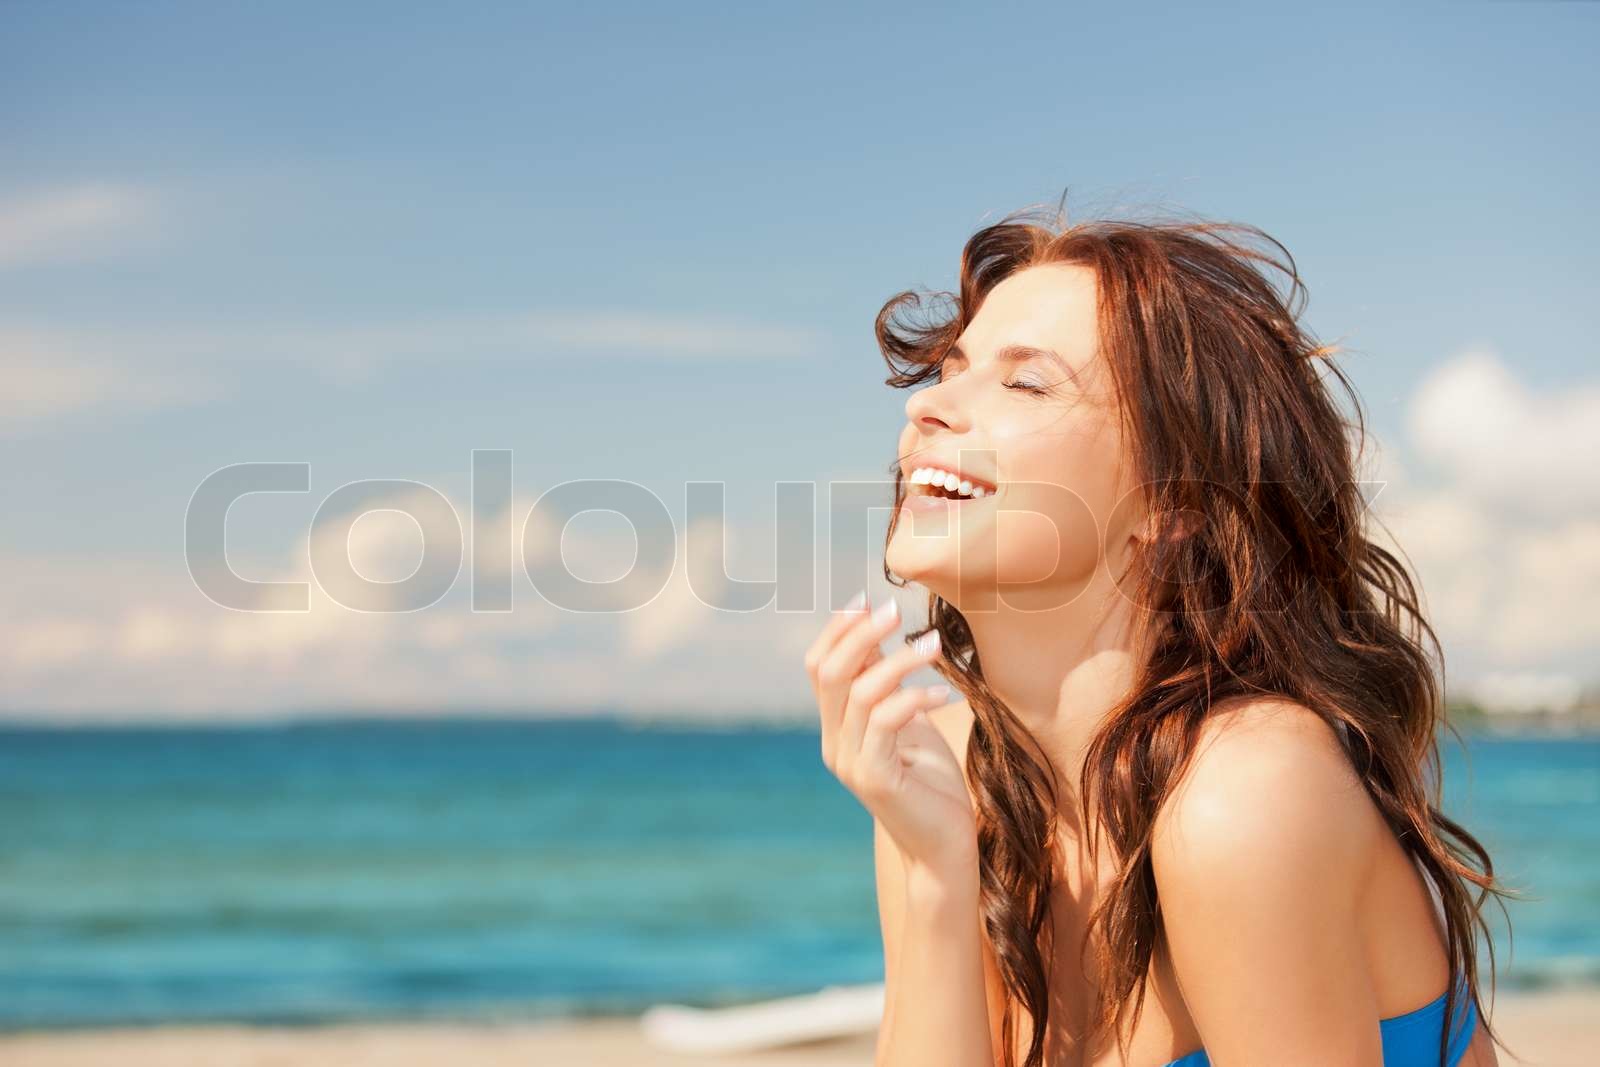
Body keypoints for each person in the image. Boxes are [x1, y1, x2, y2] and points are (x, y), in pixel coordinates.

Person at [804, 205, 1513, 1067]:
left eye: (1025, 383)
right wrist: (935, 871)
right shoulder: (945, 775)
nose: (931, 408)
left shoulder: (1241, 789)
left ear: (1173, 511)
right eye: (951, 370)